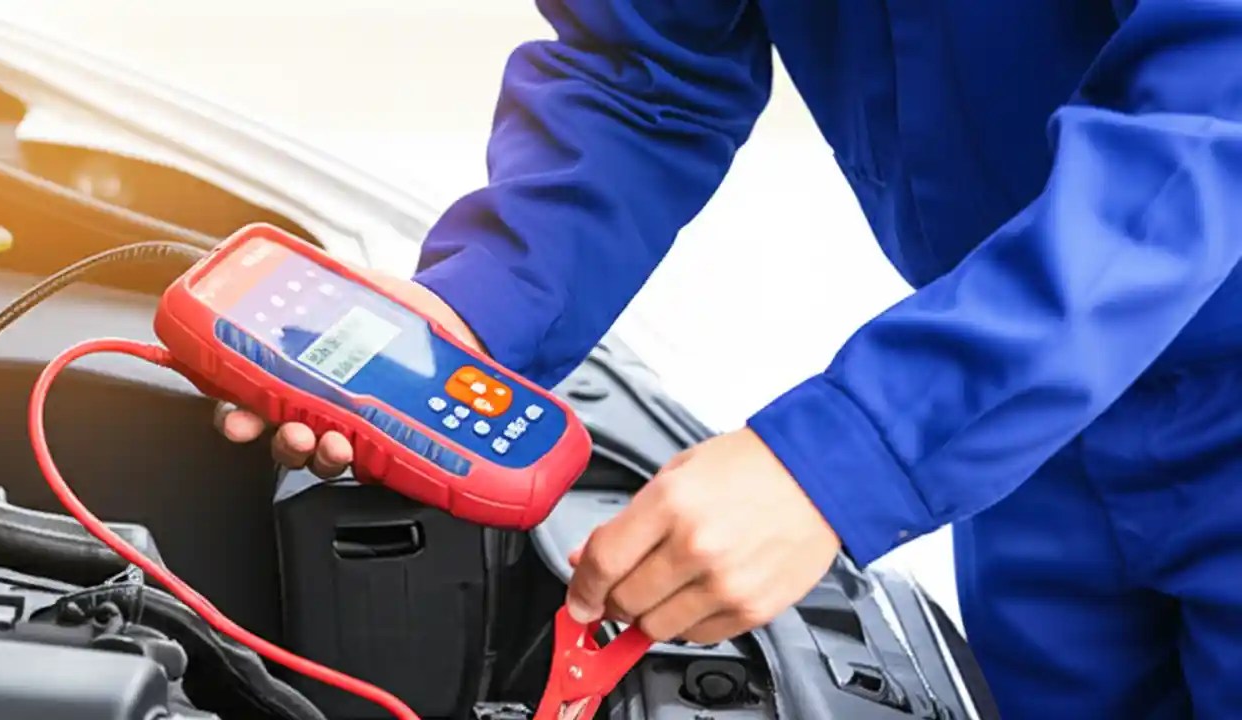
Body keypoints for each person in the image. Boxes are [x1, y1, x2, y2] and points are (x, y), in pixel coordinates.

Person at [216, 2, 1242, 717]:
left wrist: (842, 456)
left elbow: (1208, 123)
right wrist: (472, 312)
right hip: (1018, 422)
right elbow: (644, 73)